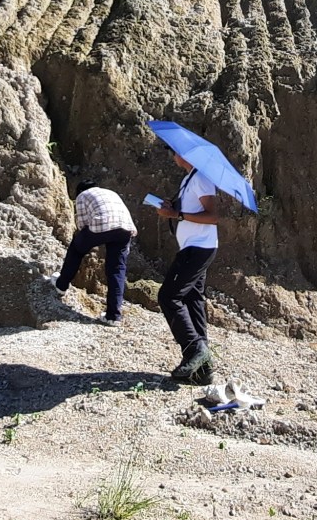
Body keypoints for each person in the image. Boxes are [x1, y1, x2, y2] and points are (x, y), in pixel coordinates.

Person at [156, 152, 221, 383]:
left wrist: (177, 214)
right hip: (192, 247)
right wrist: (172, 208)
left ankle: (195, 350)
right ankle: (203, 373)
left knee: (168, 296)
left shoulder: (201, 177)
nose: (174, 154)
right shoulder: (188, 179)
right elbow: (190, 212)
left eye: (177, 151)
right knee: (193, 299)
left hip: (199, 248)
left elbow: (212, 216)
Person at [52, 180, 136, 325]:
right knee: (117, 270)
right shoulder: (111, 192)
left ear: (79, 191)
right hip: (126, 229)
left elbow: (82, 224)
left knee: (76, 249)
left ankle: (61, 285)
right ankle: (113, 316)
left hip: (102, 225)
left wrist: (87, 242)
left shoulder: (82, 196)